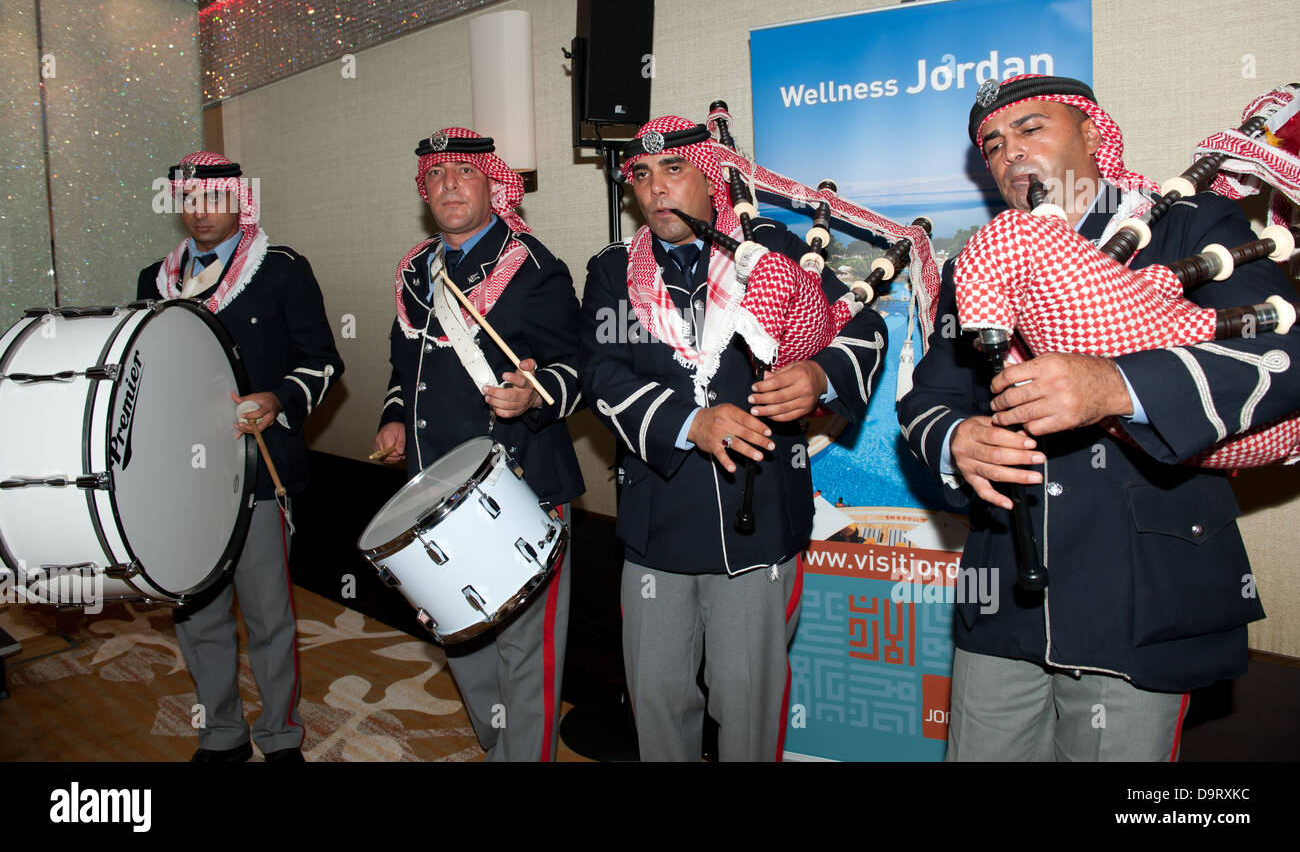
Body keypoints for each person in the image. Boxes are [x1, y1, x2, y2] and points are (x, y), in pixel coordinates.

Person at [898, 75, 1300, 761]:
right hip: (1005, 596)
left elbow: (1283, 354)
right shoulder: (980, 260)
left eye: (1031, 128)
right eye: (992, 144)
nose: (1009, 153)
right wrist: (957, 439)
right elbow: (927, 400)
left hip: (1139, 593)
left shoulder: (1189, 224)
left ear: (1092, 132)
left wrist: (1117, 385)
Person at [579, 115, 888, 762]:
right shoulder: (612, 270)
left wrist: (818, 374)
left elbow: (860, 327)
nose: (655, 188)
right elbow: (601, 375)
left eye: (673, 169)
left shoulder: (771, 247)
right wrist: (691, 423)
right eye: (641, 174)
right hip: (656, 522)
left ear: (711, 175)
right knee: (658, 700)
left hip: (758, 521)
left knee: (748, 706)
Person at [372, 127, 584, 762]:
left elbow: (579, 368)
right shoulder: (417, 270)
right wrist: (394, 420)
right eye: (435, 176)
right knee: (462, 641)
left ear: (493, 182)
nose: (448, 186)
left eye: (463, 172)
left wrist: (533, 391)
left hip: (520, 484)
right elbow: (401, 367)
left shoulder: (535, 265)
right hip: (435, 491)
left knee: (527, 653)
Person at [139, 150, 344, 762]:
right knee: (197, 613)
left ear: (240, 201)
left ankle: (281, 737)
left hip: (257, 469)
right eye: (189, 200)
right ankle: (221, 734)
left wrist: (279, 398)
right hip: (184, 479)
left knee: (268, 615)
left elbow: (325, 362)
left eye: (214, 199)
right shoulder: (155, 280)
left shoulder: (279, 269)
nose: (201, 212)